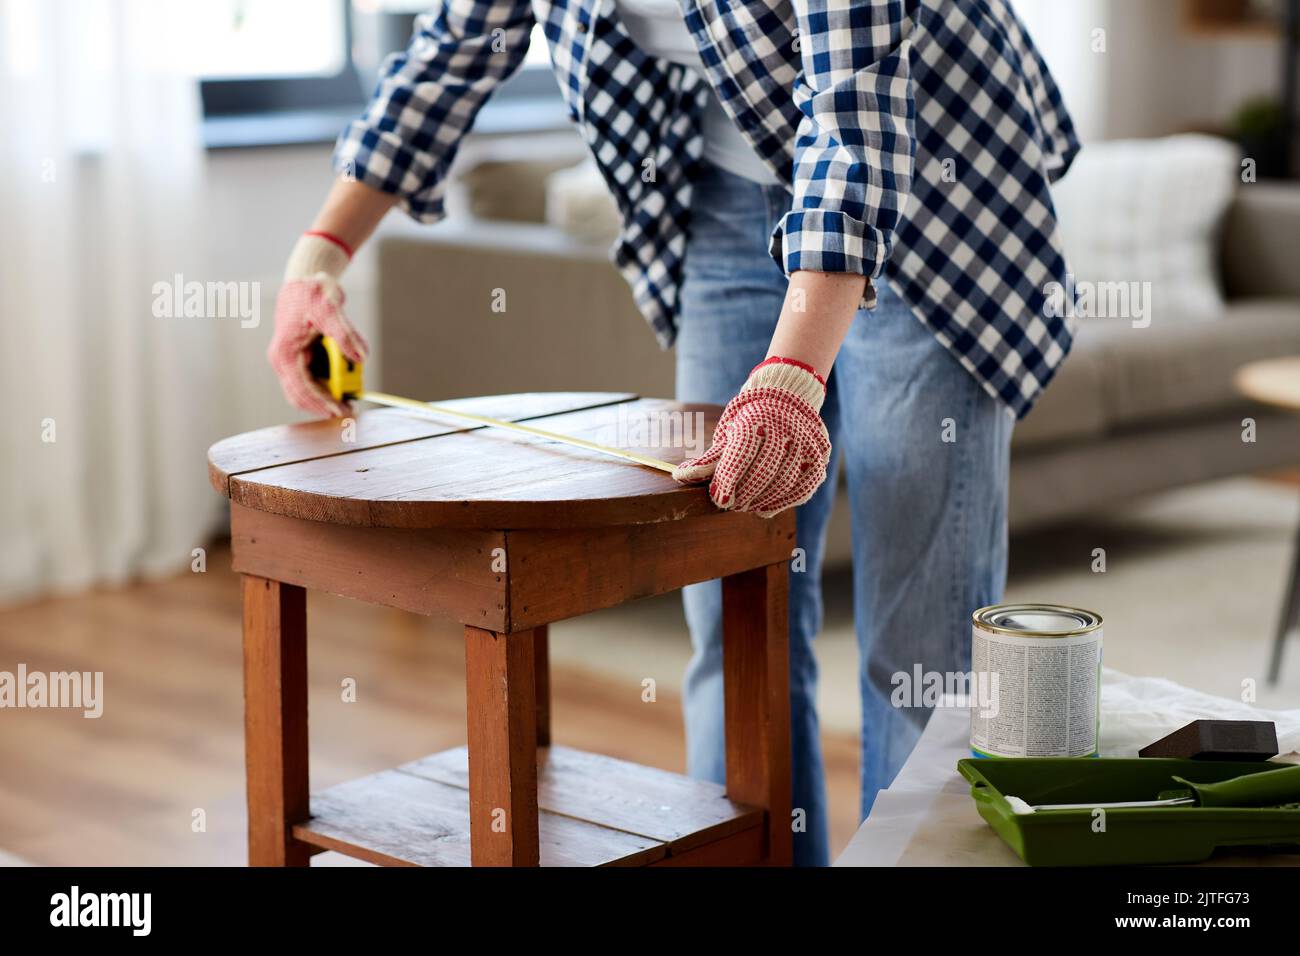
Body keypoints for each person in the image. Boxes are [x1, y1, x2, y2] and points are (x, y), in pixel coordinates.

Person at [268, 0, 1079, 866]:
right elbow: (455, 49)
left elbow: (855, 117)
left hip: (924, 180)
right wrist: (315, 258)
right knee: (730, 609)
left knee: (920, 644)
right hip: (725, 200)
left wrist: (792, 375)